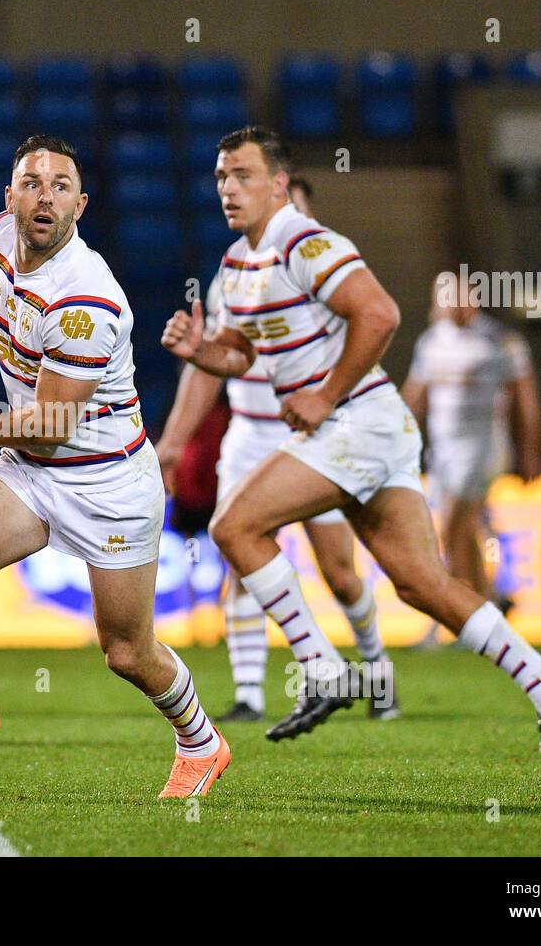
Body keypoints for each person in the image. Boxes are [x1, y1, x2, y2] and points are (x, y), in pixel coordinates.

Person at [162, 126, 541, 751]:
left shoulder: (304, 241)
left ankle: (323, 670)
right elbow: (240, 357)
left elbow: (381, 313)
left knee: (235, 527)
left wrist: (325, 393)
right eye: (222, 178)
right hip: (373, 428)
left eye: (244, 176)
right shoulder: (237, 266)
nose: (229, 189)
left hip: (355, 424)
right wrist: (199, 351)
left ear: (280, 183)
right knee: (422, 583)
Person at [0, 135, 230, 798]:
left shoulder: (85, 301)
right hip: (31, 469)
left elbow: (52, 427)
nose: (44, 195)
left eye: (60, 185)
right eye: (31, 182)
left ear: (81, 203)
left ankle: (202, 742)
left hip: (107, 481)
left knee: (127, 653)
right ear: (10, 196)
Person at [160, 260, 398, 725]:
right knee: (240, 559)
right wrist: (174, 441)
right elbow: (209, 366)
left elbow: (365, 340)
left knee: (340, 574)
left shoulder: (327, 276)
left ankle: (378, 673)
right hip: (250, 435)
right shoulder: (231, 279)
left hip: (314, 435)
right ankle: (249, 694)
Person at [402, 276, 541, 645]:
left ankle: (453, 619)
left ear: (474, 298)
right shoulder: (431, 341)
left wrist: (529, 450)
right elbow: (415, 397)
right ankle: (490, 607)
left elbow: (524, 399)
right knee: (462, 535)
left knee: (453, 530)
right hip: (443, 451)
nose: (451, 305)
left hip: (483, 448)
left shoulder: (499, 341)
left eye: (458, 297)